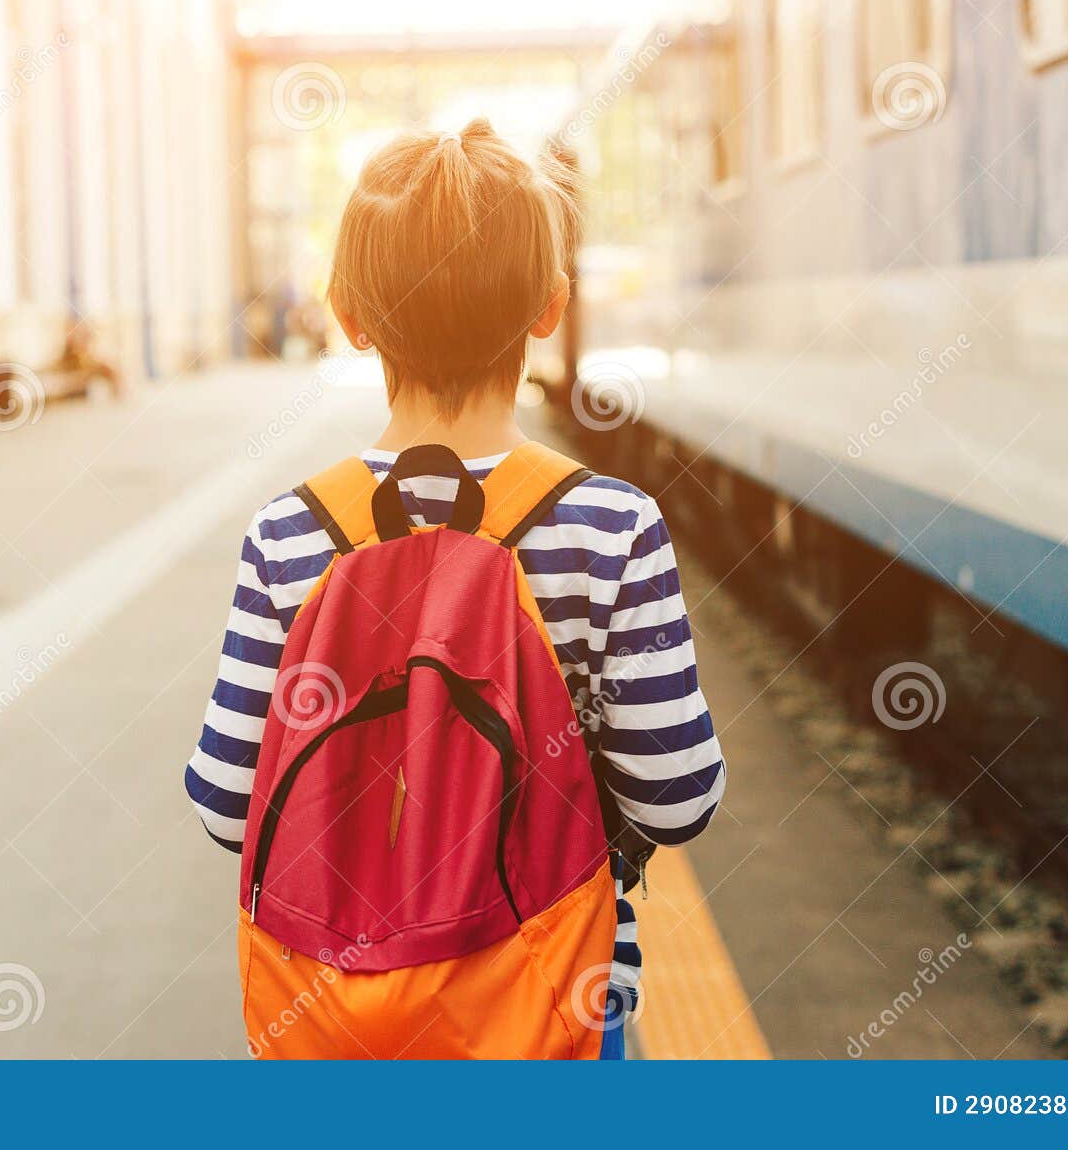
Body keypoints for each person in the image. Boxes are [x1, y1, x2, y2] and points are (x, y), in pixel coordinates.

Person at [185, 118, 724, 1059]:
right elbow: (678, 798)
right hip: (553, 1014)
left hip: (337, 1029)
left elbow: (227, 803)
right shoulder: (613, 527)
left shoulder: (286, 535)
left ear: (351, 318)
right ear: (549, 306)